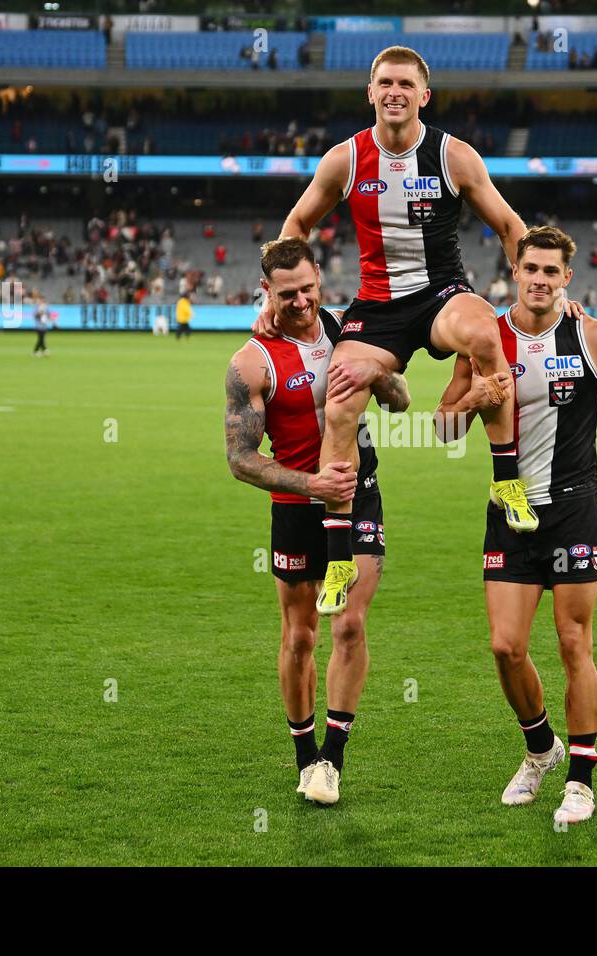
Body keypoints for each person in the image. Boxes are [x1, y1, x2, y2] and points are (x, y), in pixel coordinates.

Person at [254, 45, 585, 616]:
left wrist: (550, 297)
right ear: (371, 91)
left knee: (485, 335)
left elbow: (510, 225)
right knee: (339, 393)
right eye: (385, 82)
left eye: (406, 83)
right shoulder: (345, 159)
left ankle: (505, 478)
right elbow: (297, 224)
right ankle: (337, 555)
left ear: (424, 95)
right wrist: (279, 296)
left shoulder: (454, 156)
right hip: (377, 307)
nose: (395, 92)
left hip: (441, 295)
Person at [434, 227, 597, 825]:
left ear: (567, 279)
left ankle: (580, 779)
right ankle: (540, 749)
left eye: (552, 272)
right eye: (531, 268)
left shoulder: (593, 337)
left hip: (575, 509)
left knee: (574, 641)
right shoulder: (484, 340)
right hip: (509, 508)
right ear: (515, 271)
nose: (540, 280)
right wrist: (473, 397)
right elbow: (444, 429)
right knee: (505, 647)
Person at [225, 237, 410, 806]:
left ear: (319, 278)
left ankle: (333, 758)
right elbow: (241, 459)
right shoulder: (251, 362)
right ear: (266, 291)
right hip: (296, 508)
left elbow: (400, 400)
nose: (301, 301)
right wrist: (311, 484)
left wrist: (375, 373)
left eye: (308, 288)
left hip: (359, 497)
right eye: (287, 294)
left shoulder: (350, 331)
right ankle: (305, 758)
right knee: (300, 636)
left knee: (349, 626)